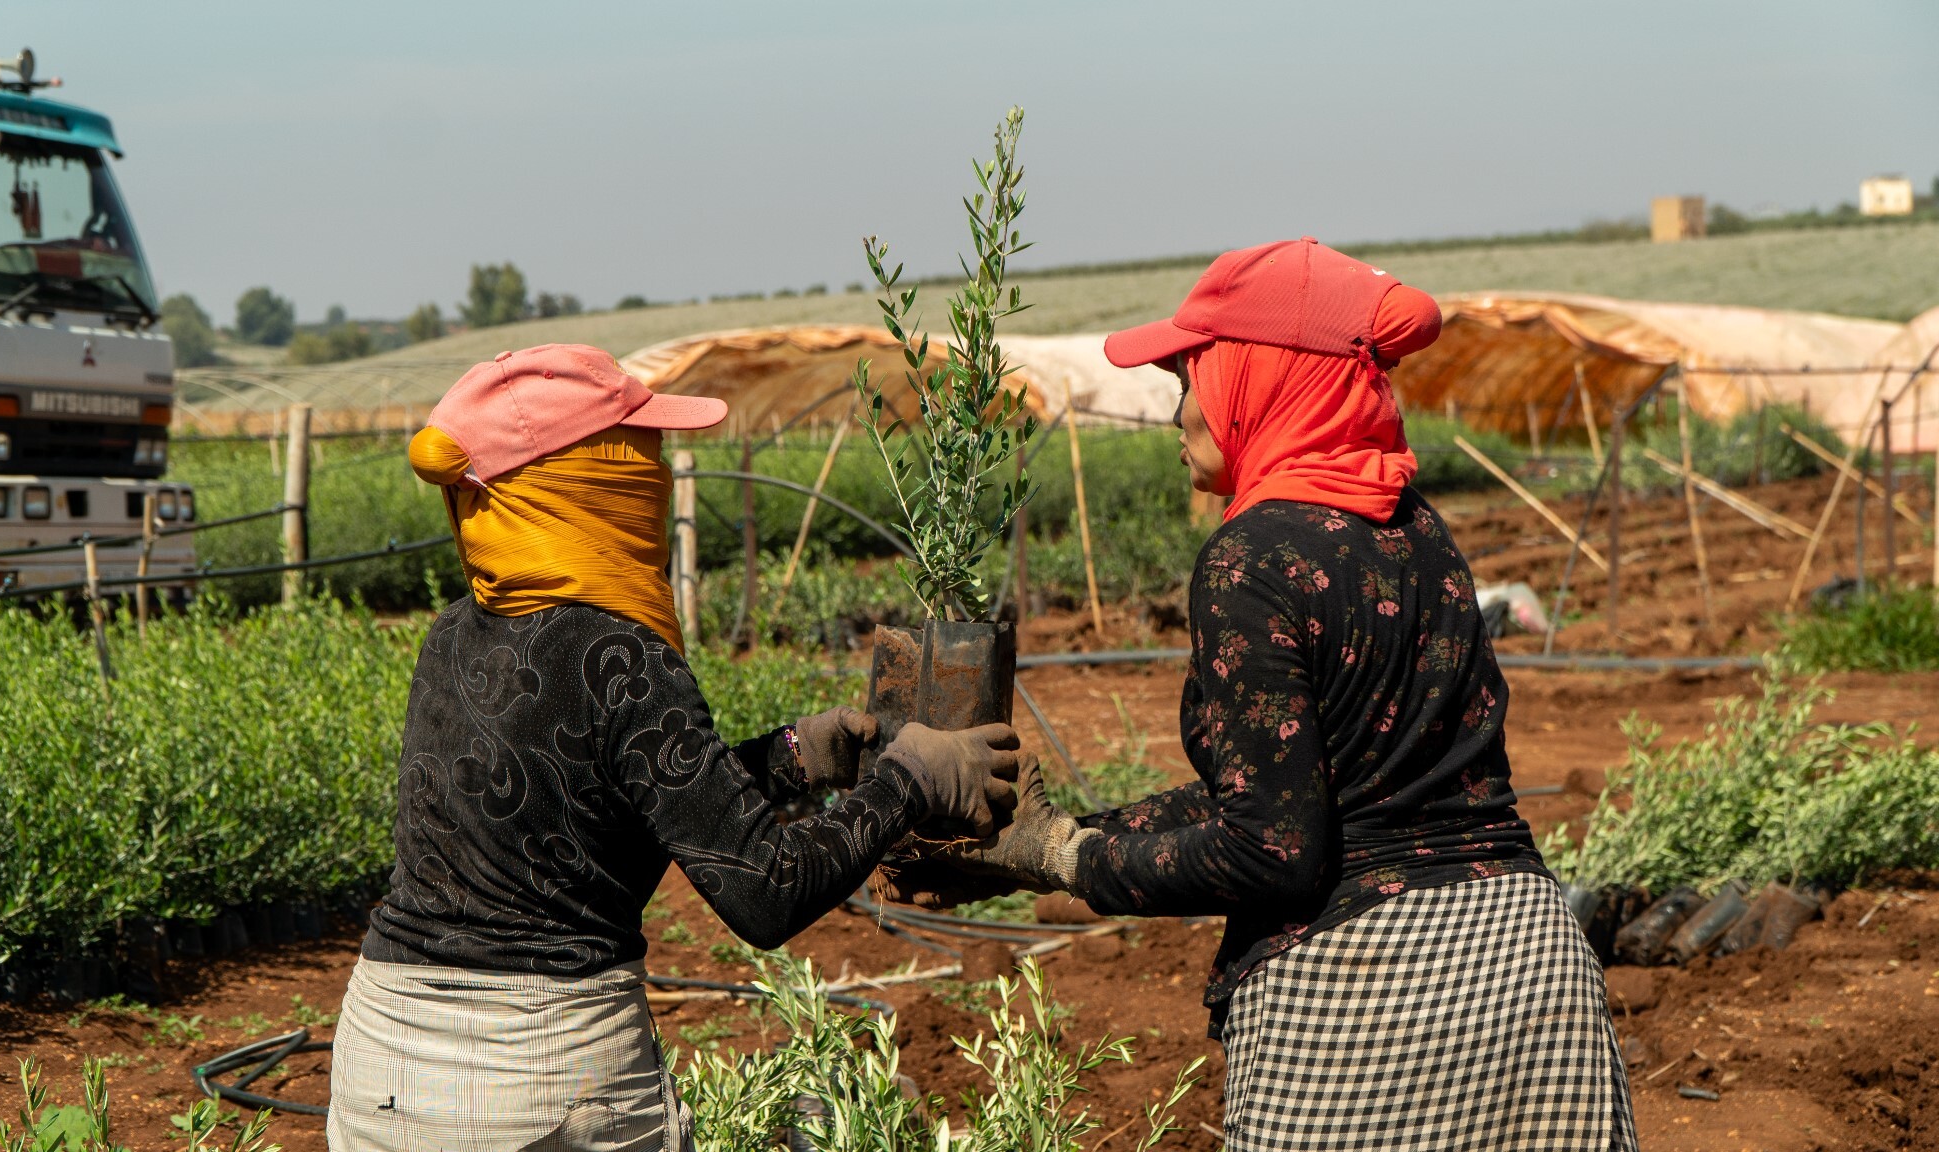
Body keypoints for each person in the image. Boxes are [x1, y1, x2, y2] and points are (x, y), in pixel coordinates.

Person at [930, 241, 1638, 1150]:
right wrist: (1064, 837)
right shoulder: (1418, 530)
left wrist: (1070, 860)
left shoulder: (1252, 559)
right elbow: (1293, 780)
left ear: (1257, 382)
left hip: (1369, 998)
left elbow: (1275, 852)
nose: (1180, 410)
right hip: (1533, 973)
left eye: (1194, 376)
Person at [328, 344, 1024, 1152]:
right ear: (593, 478)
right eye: (642, 452)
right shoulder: (620, 655)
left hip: (383, 1064)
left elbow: (602, 807)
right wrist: (909, 779)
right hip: (541, 1079)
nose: (657, 470)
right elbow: (766, 894)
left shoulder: (454, 636)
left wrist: (797, 756)